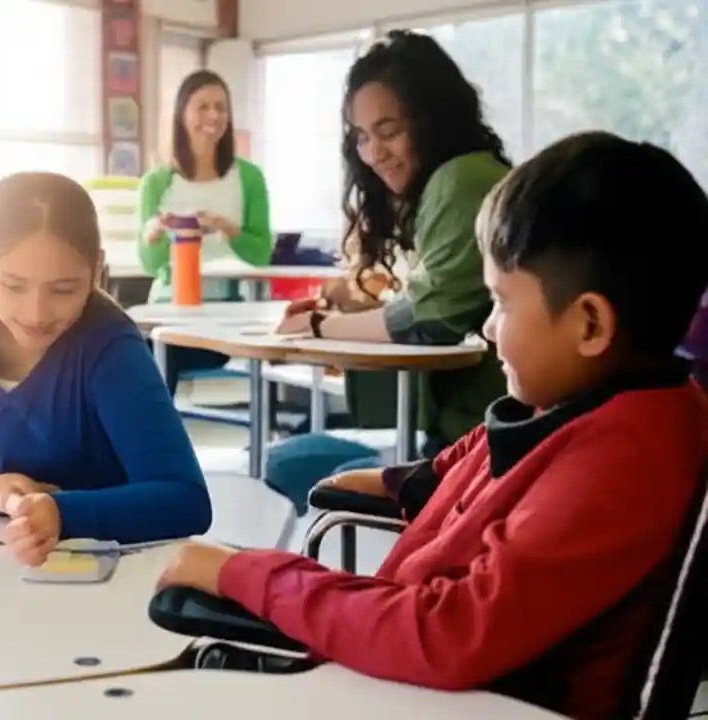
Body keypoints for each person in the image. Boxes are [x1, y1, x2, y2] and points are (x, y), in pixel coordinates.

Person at [156, 132, 708, 719]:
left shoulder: (625, 459)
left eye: (502, 303)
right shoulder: (595, 403)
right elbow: (495, 449)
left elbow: (449, 633)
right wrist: (411, 481)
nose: (489, 328)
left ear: (590, 324)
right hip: (419, 678)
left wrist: (250, 575)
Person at [267, 31, 511, 511]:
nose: (374, 152)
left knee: (289, 465)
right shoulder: (463, 177)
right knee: (291, 458)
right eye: (362, 137)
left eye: (389, 130)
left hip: (474, 447)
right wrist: (357, 311)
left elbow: (429, 319)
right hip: (468, 438)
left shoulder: (460, 180)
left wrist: (319, 325)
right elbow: (432, 306)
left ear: (432, 119)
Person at [0, 172, 211, 566]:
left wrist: (63, 512)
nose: (36, 313)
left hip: (116, 574)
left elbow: (186, 500)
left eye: (63, 289)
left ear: (96, 270)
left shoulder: (110, 349)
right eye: (13, 286)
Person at [137, 70, 273, 396]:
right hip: (170, 309)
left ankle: (153, 426)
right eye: (203, 106)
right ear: (182, 114)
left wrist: (227, 228)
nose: (213, 115)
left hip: (229, 314)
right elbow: (150, 265)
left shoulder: (249, 178)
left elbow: (261, 254)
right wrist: (154, 235)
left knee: (154, 361)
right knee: (135, 354)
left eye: (221, 107)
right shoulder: (156, 182)